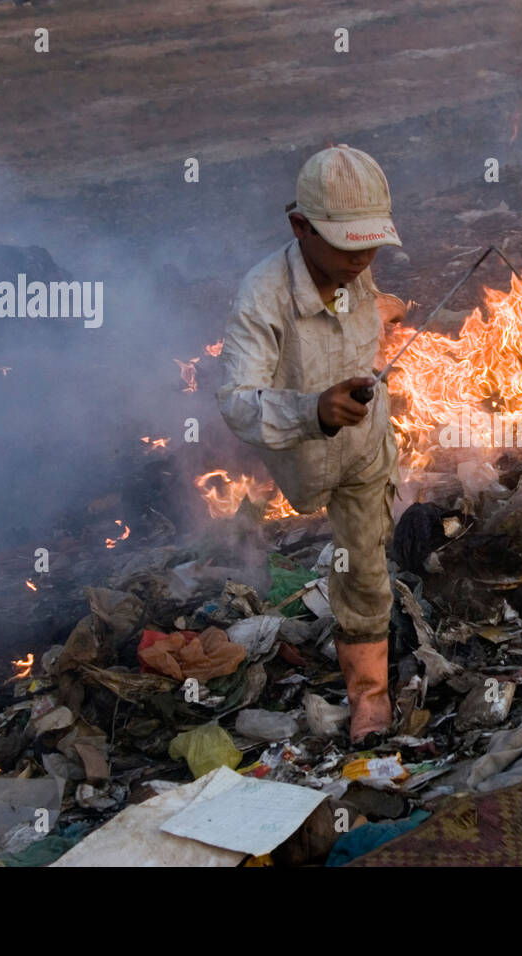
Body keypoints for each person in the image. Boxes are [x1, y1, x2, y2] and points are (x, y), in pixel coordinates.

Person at [216, 144, 402, 746]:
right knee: (331, 550)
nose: (364, 260)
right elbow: (237, 401)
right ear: (300, 227)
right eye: (349, 247)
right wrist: (313, 409)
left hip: (363, 450)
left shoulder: (359, 271)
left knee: (365, 568)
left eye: (372, 246)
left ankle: (369, 697)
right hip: (301, 454)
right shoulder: (262, 296)